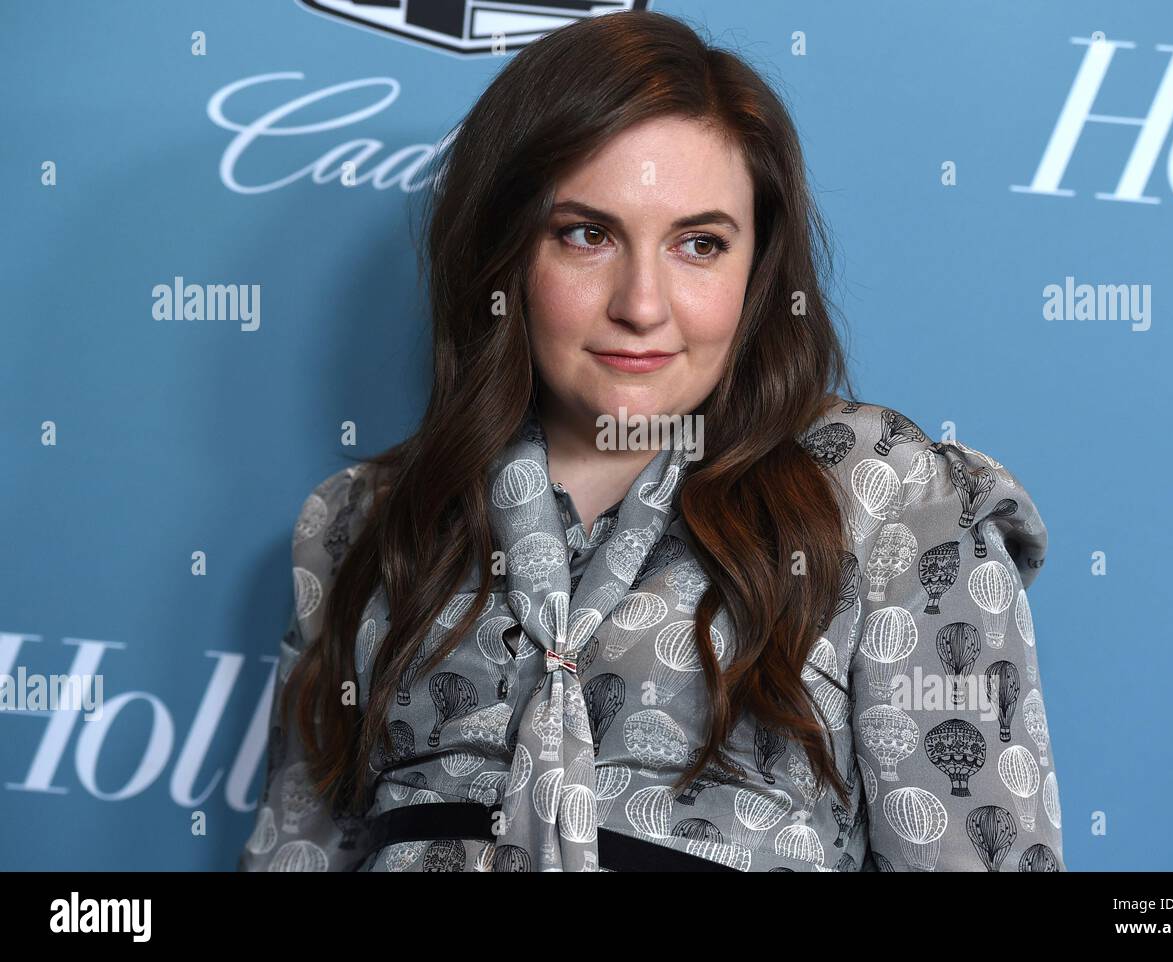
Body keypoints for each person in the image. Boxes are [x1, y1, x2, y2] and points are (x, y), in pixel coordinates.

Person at [237, 9, 1064, 873]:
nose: (641, 304)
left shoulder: (889, 498)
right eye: (587, 235)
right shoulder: (360, 525)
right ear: (505, 253)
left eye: (699, 245)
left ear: (759, 272)